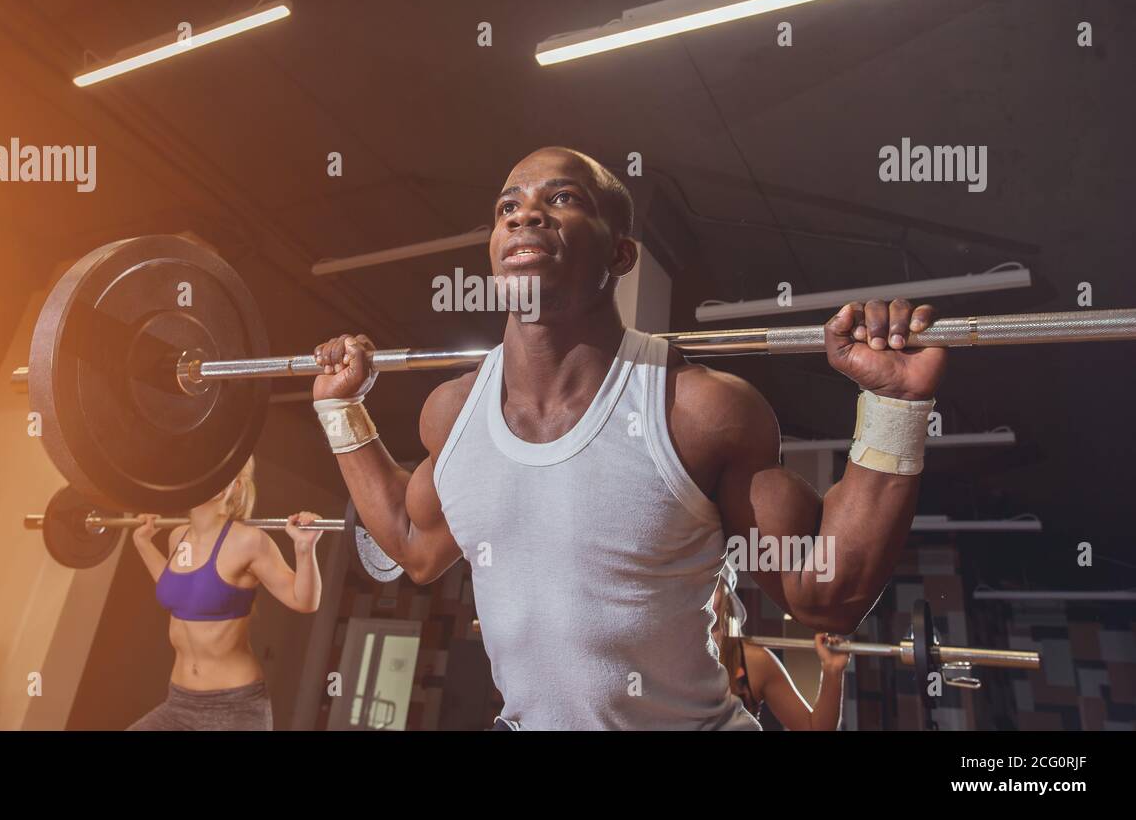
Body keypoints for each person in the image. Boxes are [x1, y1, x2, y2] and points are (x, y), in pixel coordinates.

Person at [310, 146, 947, 730]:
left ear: (621, 254)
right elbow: (416, 545)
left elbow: (824, 594)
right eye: (509, 206)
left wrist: (894, 406)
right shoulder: (451, 414)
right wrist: (342, 413)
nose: (525, 215)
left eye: (561, 199)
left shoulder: (696, 410)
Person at [127, 455, 323, 730]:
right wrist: (143, 543)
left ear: (231, 487)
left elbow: (303, 600)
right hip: (178, 703)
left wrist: (305, 549)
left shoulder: (247, 541)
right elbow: (181, 592)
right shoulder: (178, 537)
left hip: (234, 709)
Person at [711, 563, 849, 730]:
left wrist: (832, 670)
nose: (700, 598)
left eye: (711, 587)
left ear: (724, 597)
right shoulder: (671, 657)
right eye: (691, 589)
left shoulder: (752, 661)